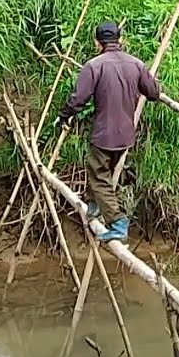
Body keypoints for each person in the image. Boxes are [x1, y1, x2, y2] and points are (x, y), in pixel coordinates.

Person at [53, 20, 161, 242]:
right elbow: (153, 93)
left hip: (104, 135)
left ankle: (117, 221)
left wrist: (64, 115)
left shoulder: (94, 66)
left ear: (97, 42)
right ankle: (93, 205)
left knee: (98, 175)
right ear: (121, 40)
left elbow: (78, 99)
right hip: (126, 135)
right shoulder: (136, 64)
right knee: (105, 171)